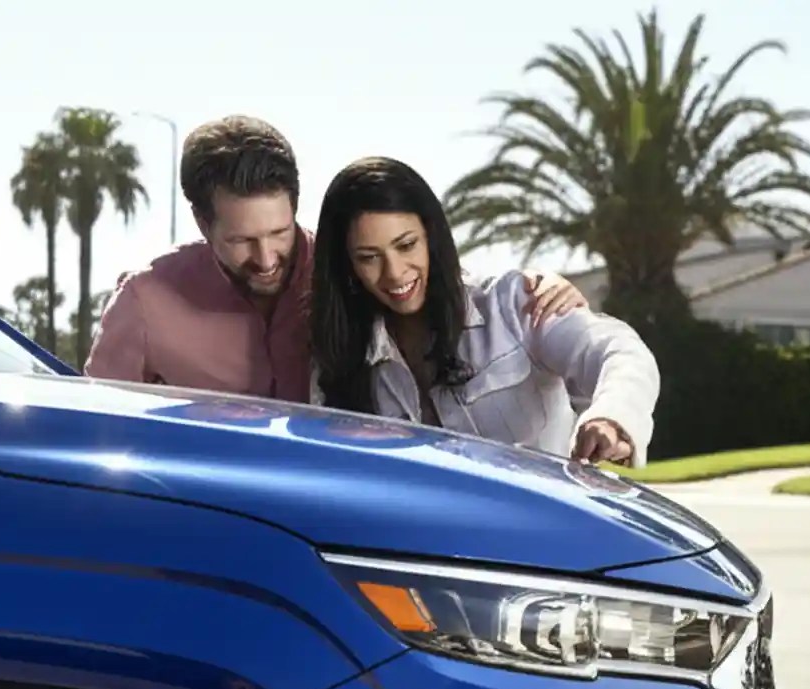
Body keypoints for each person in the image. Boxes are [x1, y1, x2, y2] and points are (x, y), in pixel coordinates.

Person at [83, 115, 589, 403]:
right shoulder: (145, 301)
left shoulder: (346, 272)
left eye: (279, 233)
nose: (265, 258)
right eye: (241, 241)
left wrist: (540, 284)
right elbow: (97, 432)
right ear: (201, 223)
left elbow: (421, 280)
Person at [308, 156, 661, 467]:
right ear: (347, 266)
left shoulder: (513, 305)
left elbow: (618, 351)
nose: (395, 272)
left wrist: (611, 419)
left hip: (550, 533)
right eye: (369, 257)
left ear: (431, 236)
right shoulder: (341, 363)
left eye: (406, 245)